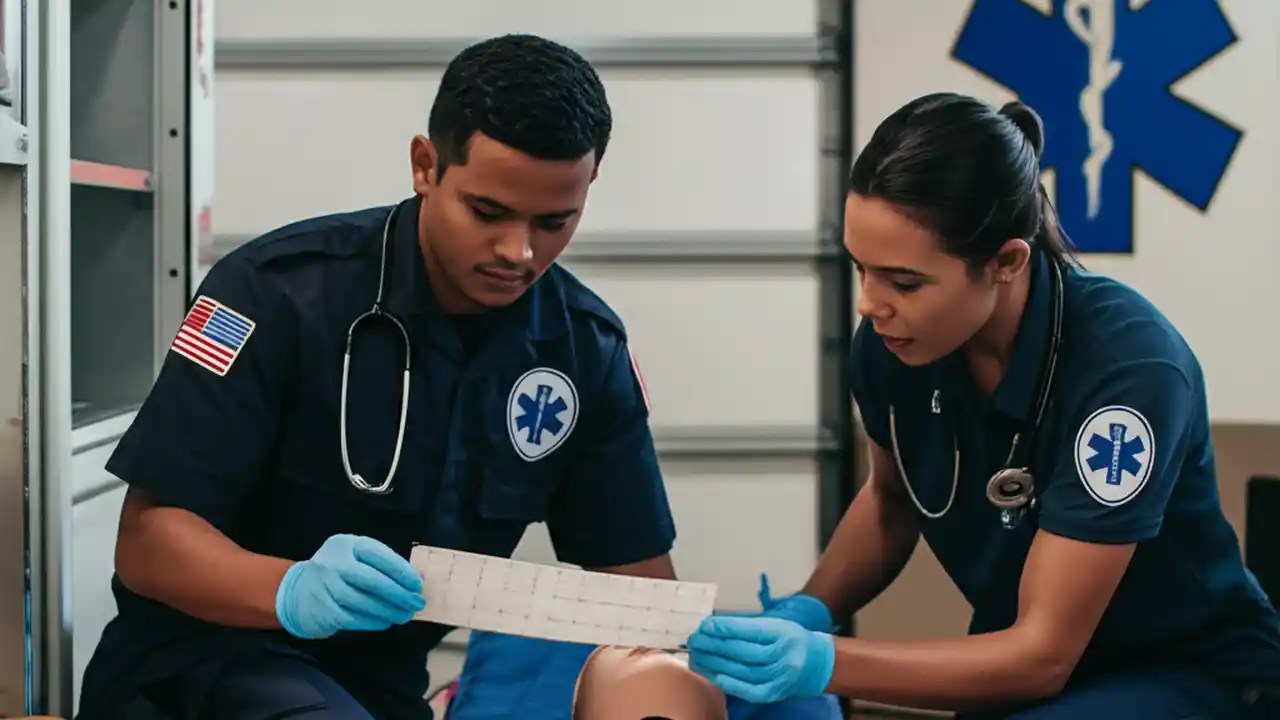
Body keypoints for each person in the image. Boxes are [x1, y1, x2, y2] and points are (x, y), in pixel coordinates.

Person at [76, 34, 678, 720]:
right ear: (426, 165)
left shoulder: (582, 351)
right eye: (487, 213)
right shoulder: (276, 295)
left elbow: (639, 596)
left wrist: (686, 662)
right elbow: (149, 545)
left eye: (554, 221)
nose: (518, 251)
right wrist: (291, 590)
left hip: (377, 689)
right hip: (201, 666)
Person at [683, 92, 1280, 718]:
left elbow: (1043, 655)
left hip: (1186, 676)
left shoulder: (1129, 372)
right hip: (1017, 667)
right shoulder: (896, 345)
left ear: (1006, 261)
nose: (870, 304)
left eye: (904, 282)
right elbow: (892, 500)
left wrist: (825, 662)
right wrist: (811, 608)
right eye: (861, 269)